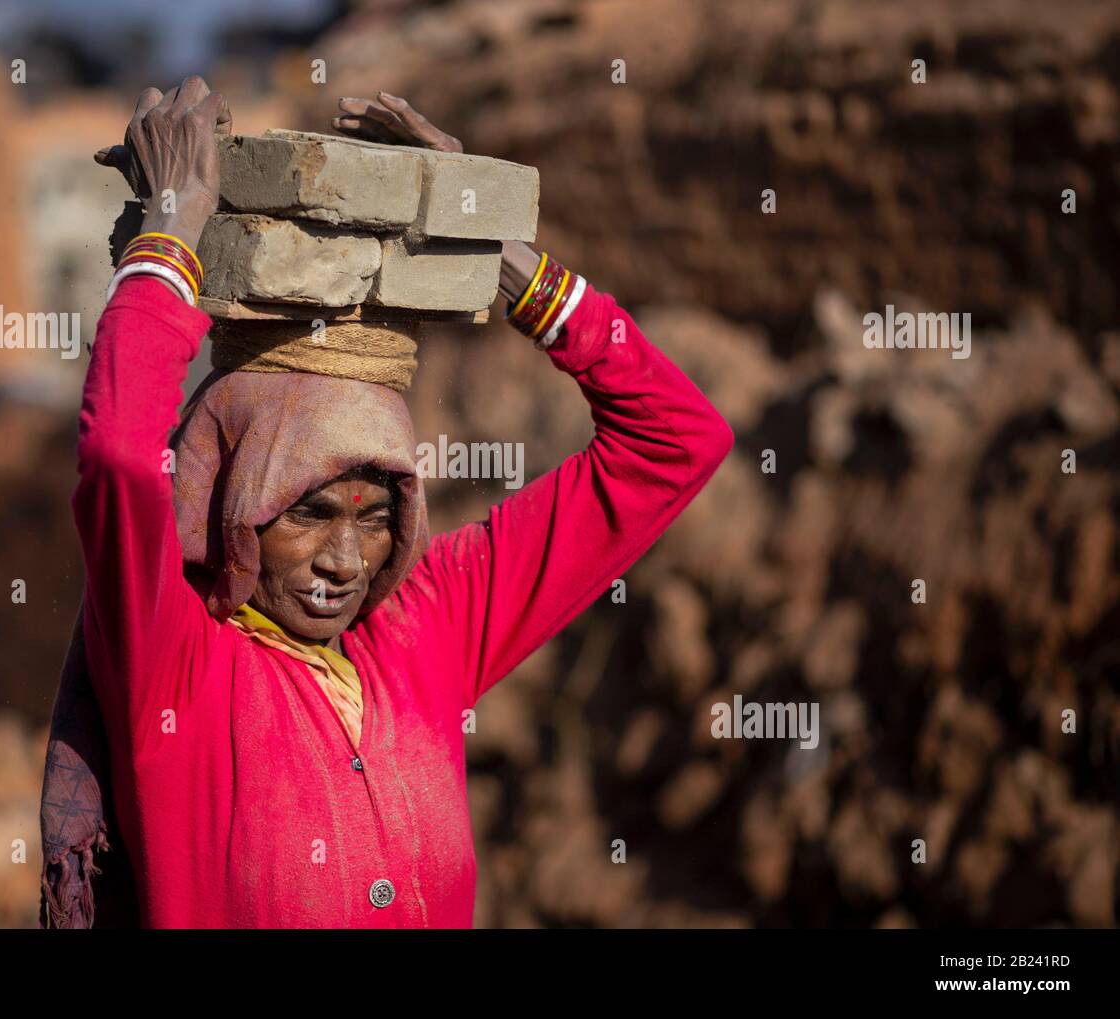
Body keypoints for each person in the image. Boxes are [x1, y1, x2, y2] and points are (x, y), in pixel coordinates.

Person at [39, 75, 734, 928]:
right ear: (231, 503)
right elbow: (116, 455)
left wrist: (494, 254)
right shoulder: (173, 658)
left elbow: (676, 443)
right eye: (308, 512)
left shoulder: (428, 622)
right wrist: (173, 227)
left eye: (376, 518)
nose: (345, 562)